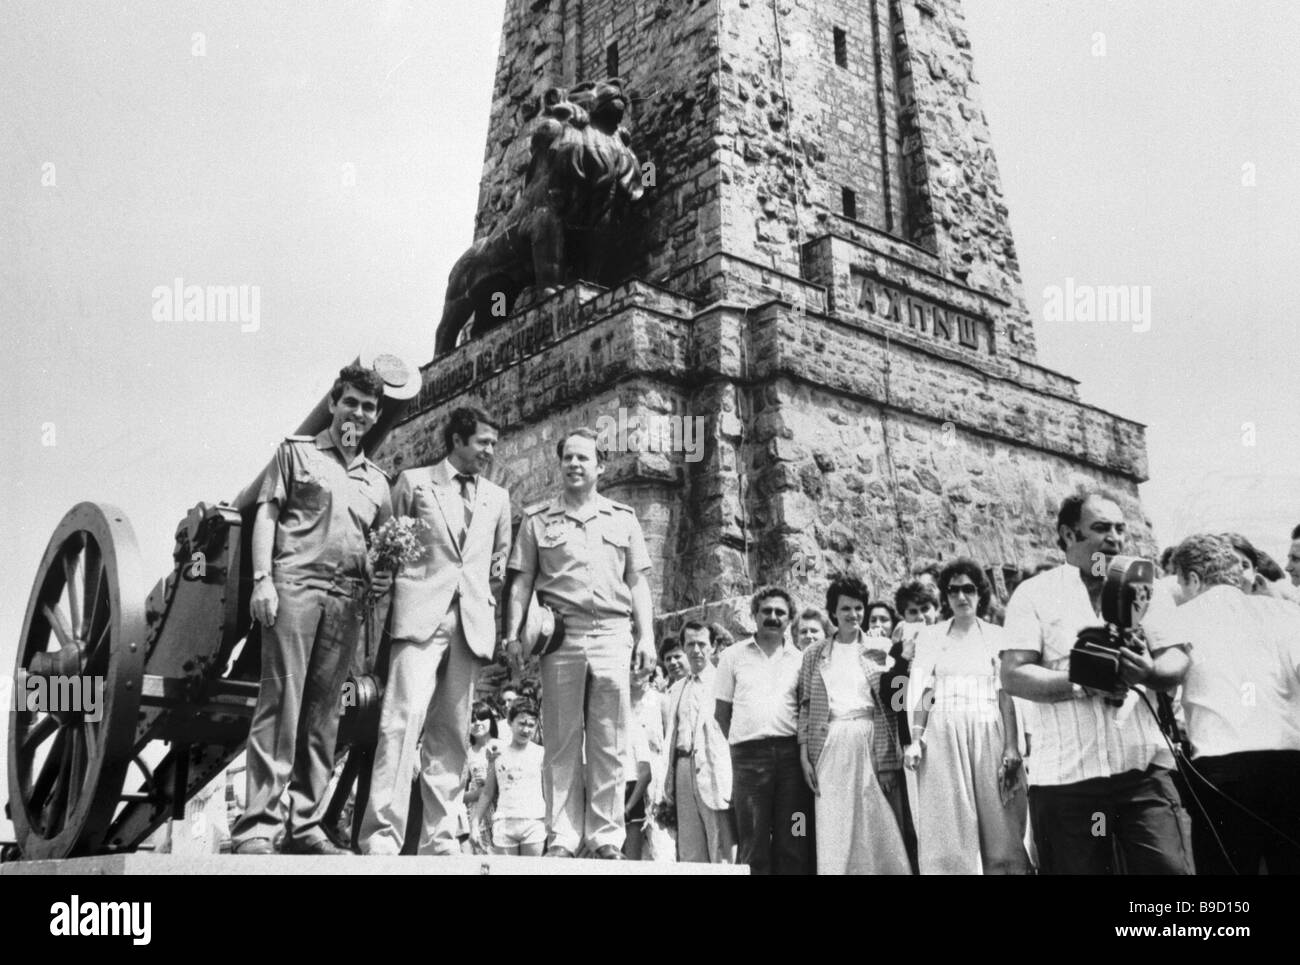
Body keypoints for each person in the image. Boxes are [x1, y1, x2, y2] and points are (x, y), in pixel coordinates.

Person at [233, 364, 393, 856]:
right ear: (334, 403)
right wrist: (263, 580)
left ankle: (304, 824)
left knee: (325, 715)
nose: (359, 413)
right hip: (295, 587)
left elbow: (385, 548)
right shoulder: (296, 453)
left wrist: (380, 579)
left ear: (375, 416)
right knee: (281, 704)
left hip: (347, 603)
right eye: (351, 403)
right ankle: (258, 825)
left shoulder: (378, 483)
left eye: (369, 408)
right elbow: (268, 514)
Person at [1000, 491, 1193, 875]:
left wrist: (1148, 672)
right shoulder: (1035, 593)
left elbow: (1178, 657)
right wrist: (1082, 682)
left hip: (1140, 776)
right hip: (1068, 780)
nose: (1115, 538)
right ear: (1069, 535)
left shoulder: (1144, 586)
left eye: (1121, 529)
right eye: (1101, 528)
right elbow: (1013, 675)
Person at [360, 406, 512, 856]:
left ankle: (441, 836)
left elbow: (495, 562)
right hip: (418, 619)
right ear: (458, 440)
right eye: (483, 442)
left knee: (451, 732)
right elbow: (386, 546)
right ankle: (382, 837)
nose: (490, 451)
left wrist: (484, 593)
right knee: (401, 722)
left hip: (470, 626)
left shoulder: (498, 498)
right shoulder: (413, 482)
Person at [503, 428, 656, 859]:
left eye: (583, 458)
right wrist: (513, 634)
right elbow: (521, 582)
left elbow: (638, 582)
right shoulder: (537, 521)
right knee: (561, 741)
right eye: (567, 457)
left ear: (600, 467)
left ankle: (606, 836)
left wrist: (647, 637)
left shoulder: (623, 519)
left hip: (612, 634)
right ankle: (564, 836)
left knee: (610, 740)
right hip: (560, 637)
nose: (574, 464)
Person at [1152, 534, 1300, 873]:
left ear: (1192, 578)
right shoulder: (1286, 612)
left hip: (1222, 775)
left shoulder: (1180, 619)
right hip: (1291, 768)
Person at [904, 559, 1030, 874]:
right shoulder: (930, 637)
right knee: (951, 822)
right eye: (954, 590)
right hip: (944, 733)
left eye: (969, 589)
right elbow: (922, 691)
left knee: (999, 819)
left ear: (979, 593)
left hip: (989, 730)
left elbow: (1006, 693)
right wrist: (916, 739)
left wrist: (1012, 746)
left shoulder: (998, 635)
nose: (962, 597)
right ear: (946, 597)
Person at [798, 578, 911, 875]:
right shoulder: (815, 653)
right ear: (833, 612)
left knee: (879, 825)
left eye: (858, 608)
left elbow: (892, 704)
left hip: (871, 738)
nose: (853, 614)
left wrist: (888, 759)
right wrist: (803, 755)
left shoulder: (881, 647)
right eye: (845, 608)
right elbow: (807, 707)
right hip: (830, 742)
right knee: (834, 827)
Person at [714, 586, 812, 875]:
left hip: (791, 759)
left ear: (790, 619)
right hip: (748, 757)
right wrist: (746, 743)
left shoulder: (801, 659)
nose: (772, 617)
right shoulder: (731, 656)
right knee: (752, 840)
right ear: (754, 615)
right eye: (766, 611)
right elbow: (722, 714)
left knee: (794, 835)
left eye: (780, 612)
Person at [663, 621, 734, 864]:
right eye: (690, 644)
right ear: (683, 647)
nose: (696, 650)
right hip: (683, 769)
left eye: (702, 644)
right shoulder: (677, 688)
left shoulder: (724, 683)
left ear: (713, 647)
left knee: (721, 847)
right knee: (689, 849)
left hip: (714, 768)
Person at [473, 699, 547, 857]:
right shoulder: (497, 753)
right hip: (505, 822)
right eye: (521, 723)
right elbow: (487, 792)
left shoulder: (541, 754)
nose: (526, 730)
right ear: (509, 722)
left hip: (534, 822)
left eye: (531, 725)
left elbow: (549, 792)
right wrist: (474, 822)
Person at [461, 701, 499, 854]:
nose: (477, 723)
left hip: (501, 809)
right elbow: (458, 794)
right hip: (477, 812)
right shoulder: (466, 753)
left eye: (482, 718)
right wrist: (479, 793)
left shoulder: (502, 746)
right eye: (472, 720)